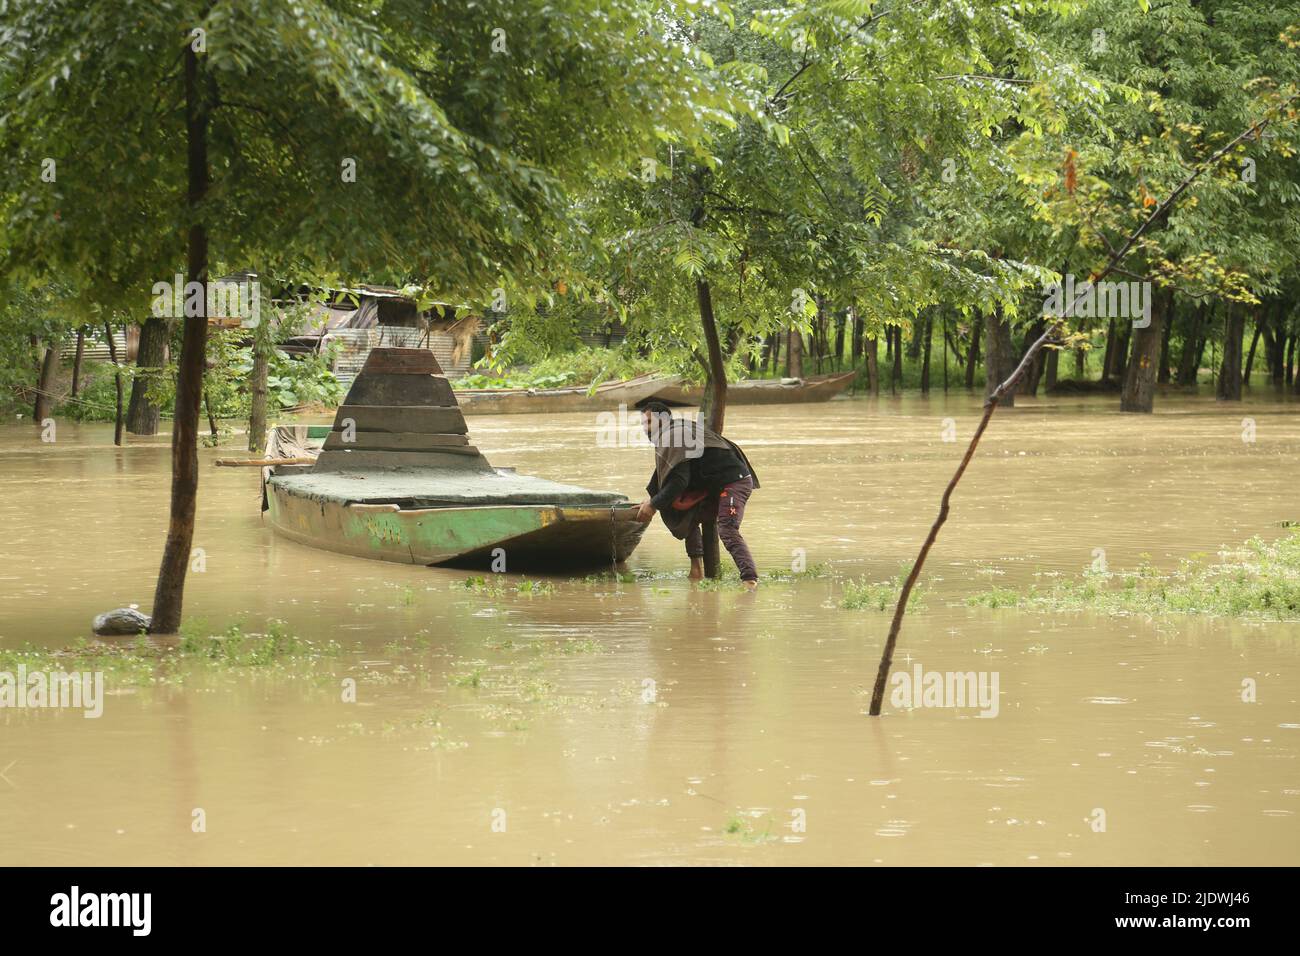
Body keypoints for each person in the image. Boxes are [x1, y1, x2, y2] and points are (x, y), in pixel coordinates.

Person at [635, 401, 760, 589]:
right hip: (712, 486)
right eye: (643, 424)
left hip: (733, 482)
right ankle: (697, 570)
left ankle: (750, 580)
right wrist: (652, 498)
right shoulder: (675, 432)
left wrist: (653, 505)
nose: (646, 428)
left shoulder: (673, 434)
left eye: (649, 422)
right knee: (686, 513)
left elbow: (679, 481)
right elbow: (665, 473)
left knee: (727, 528)